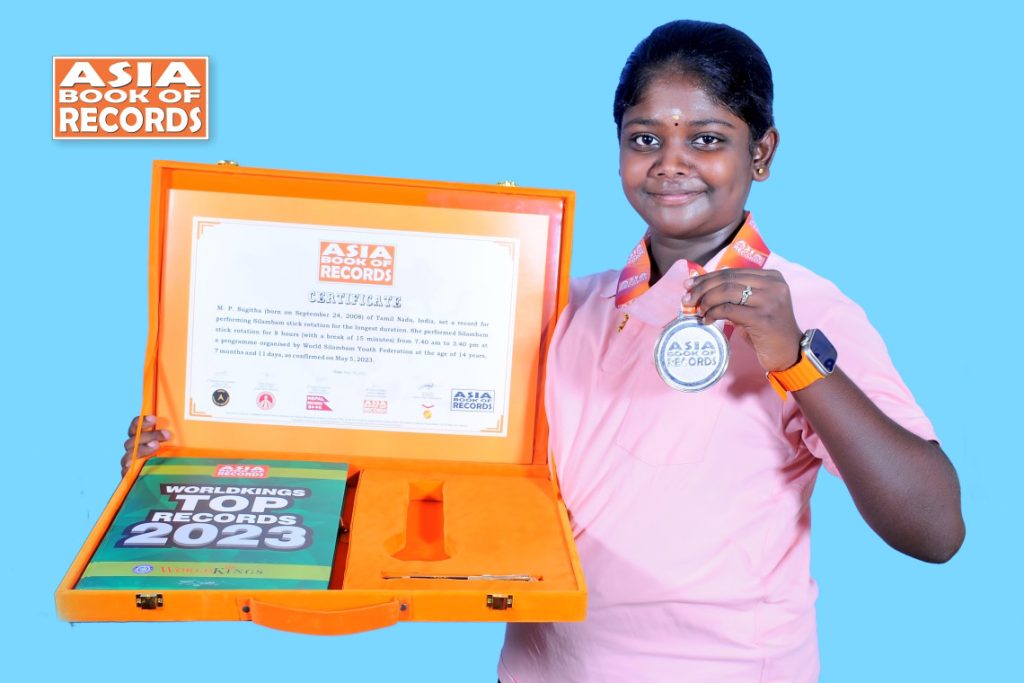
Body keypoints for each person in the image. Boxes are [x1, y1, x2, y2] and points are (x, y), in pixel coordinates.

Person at [122, 20, 964, 683]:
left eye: (707, 137)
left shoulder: (808, 309)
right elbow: (411, 450)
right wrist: (203, 461)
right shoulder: (560, 305)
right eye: (644, 138)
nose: (672, 164)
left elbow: (934, 528)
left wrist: (798, 360)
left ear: (763, 152)